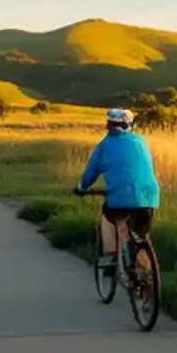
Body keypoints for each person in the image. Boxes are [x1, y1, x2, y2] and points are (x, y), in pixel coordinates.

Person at [74, 108, 159, 268]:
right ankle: (144, 272)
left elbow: (90, 174)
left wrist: (80, 188)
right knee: (141, 234)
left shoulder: (104, 146)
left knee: (110, 218)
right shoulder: (141, 141)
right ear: (130, 125)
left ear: (108, 125)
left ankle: (114, 256)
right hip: (149, 197)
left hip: (119, 199)